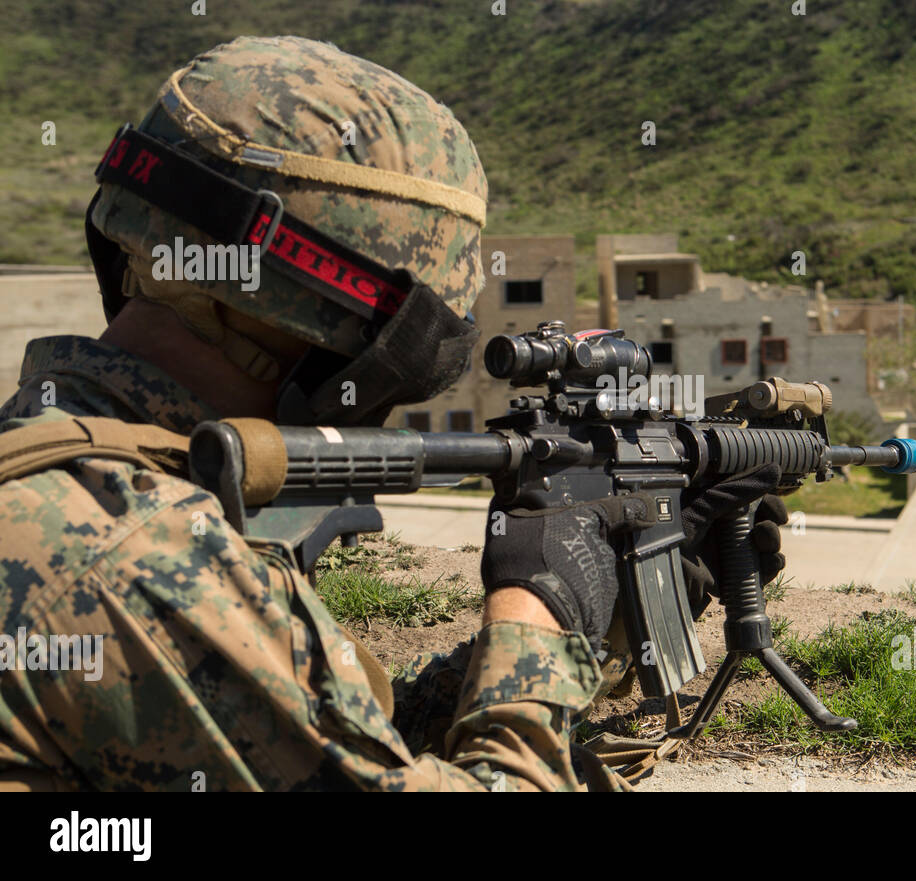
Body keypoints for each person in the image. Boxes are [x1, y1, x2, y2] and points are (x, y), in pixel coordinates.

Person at [0, 36, 784, 791]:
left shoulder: (60, 469)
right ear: (335, 339)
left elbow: (346, 745)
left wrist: (595, 621)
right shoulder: (139, 560)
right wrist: (538, 607)